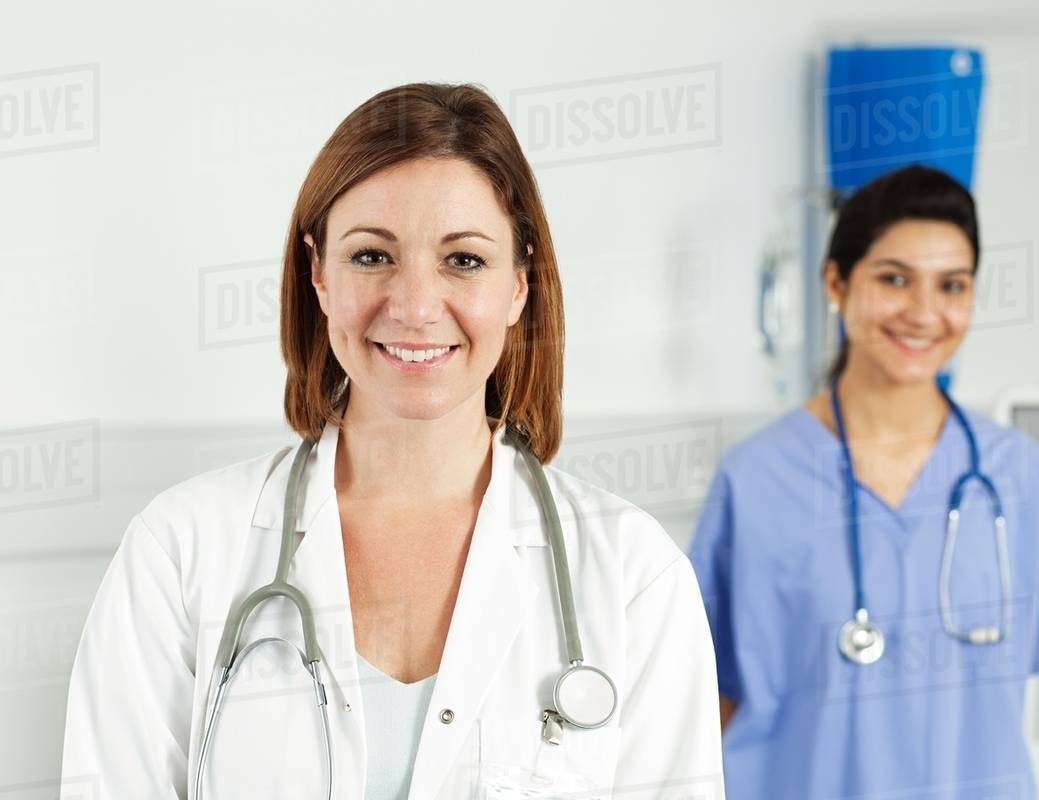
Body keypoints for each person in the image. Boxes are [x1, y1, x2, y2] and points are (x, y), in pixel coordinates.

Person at [61, 83, 724, 800]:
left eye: (463, 260)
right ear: (317, 273)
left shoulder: (634, 575)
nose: (412, 306)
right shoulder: (181, 549)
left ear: (519, 283)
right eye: (372, 256)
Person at [688, 164, 1039, 799]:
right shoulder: (756, 478)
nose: (924, 313)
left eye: (952, 286)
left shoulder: (1019, 476)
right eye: (895, 279)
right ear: (837, 282)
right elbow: (706, 701)